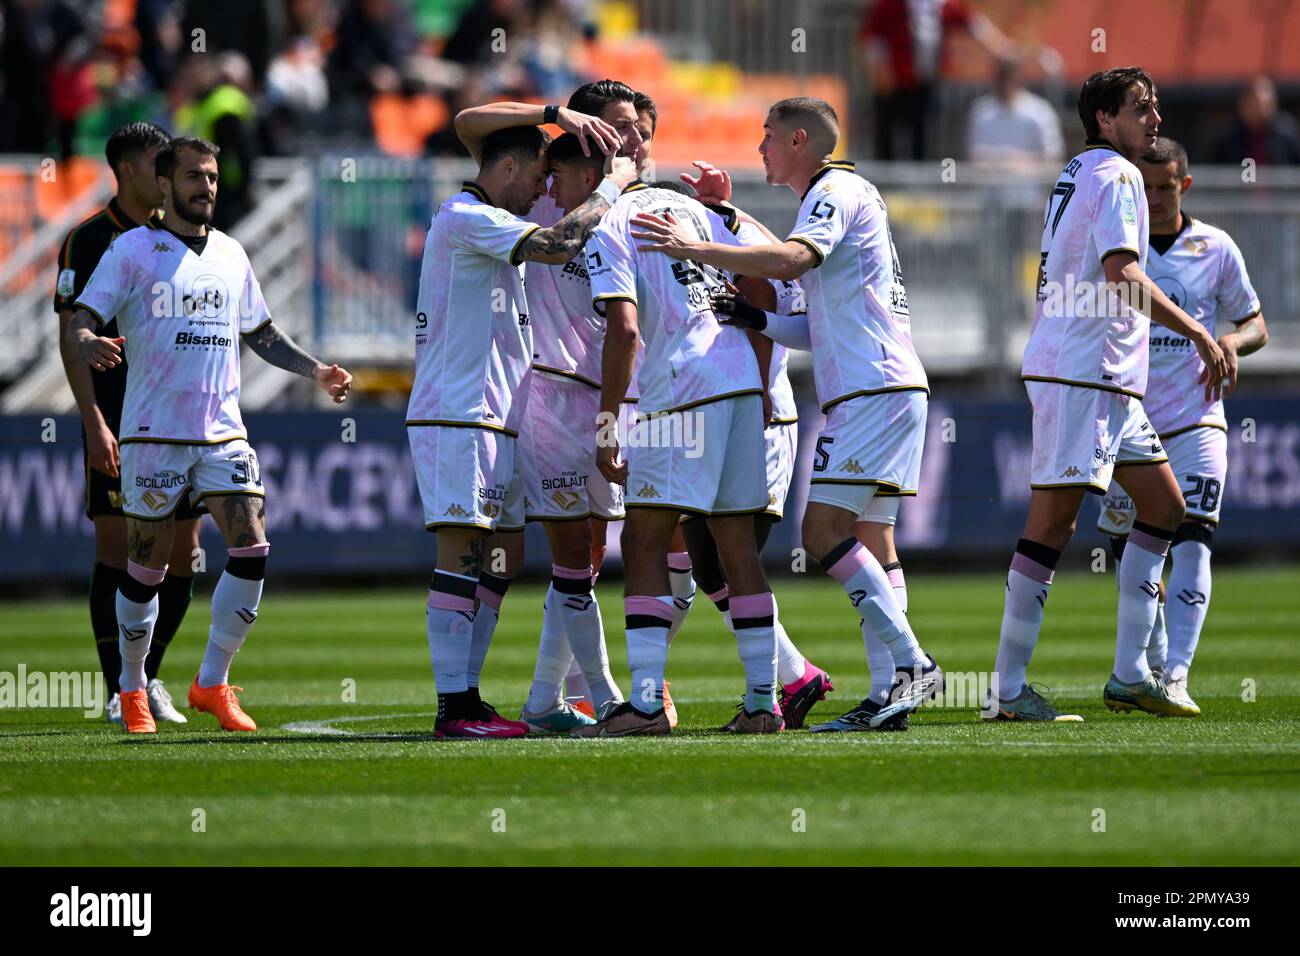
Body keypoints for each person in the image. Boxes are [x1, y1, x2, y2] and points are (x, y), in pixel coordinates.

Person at [630, 97, 945, 732]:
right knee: (868, 537)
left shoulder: (835, 189)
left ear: (801, 140)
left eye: (768, 135)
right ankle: (890, 694)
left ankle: (912, 665)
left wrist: (697, 246)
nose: (761, 147)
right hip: (883, 385)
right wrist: (756, 319)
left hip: (872, 391)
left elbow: (793, 260)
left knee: (822, 534)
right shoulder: (840, 195)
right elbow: (812, 325)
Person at [64, 136, 354, 734]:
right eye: (195, 176)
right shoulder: (131, 251)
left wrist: (317, 369)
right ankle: (132, 688)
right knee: (144, 568)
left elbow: (262, 333)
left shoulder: (231, 253)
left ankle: (212, 682)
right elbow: (83, 320)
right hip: (152, 433)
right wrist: (89, 341)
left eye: (214, 177)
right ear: (165, 185)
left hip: (223, 433)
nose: (207, 187)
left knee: (251, 549)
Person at [990, 69, 1231, 720]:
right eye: (1140, 108)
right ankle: (1007, 691)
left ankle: (1130, 673)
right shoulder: (1119, 175)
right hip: (1083, 371)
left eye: (1155, 106)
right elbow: (1122, 274)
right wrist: (1198, 331)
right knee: (1053, 525)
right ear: (1104, 118)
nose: (1155, 118)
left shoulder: (1079, 171)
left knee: (1163, 506)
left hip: (1103, 374)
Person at [409, 114, 636, 739]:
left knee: (501, 558)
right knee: (462, 552)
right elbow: (560, 244)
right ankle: (455, 709)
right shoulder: (466, 216)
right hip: (459, 413)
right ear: (506, 169)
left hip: (494, 415)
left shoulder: (490, 222)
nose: (540, 191)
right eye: (536, 177)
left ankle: (470, 701)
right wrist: (609, 187)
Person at [574, 180, 782, 737]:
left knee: (643, 538)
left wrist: (608, 425)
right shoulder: (696, 212)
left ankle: (644, 706)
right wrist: (759, 383)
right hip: (738, 379)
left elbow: (624, 330)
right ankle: (763, 703)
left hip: (681, 387)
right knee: (735, 541)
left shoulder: (611, 222)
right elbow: (762, 287)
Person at [1097, 137, 1268, 714]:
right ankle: (1146, 666)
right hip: (1129, 419)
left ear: (1184, 185)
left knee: (1194, 542)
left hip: (1197, 418)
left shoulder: (1215, 246)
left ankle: (1176, 675)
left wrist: (1231, 340)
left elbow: (1256, 323)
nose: (1155, 198)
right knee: (1130, 552)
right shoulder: (1121, 249)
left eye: (1164, 188)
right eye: (1144, 189)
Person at [55, 122, 199, 726]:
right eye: (157, 160)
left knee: (186, 554)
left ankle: (149, 677)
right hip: (120, 417)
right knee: (119, 545)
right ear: (130, 170)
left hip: (184, 420)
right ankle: (120, 689)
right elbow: (71, 334)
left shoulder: (188, 236)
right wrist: (93, 422)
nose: (169, 171)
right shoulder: (87, 240)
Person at [967, 57, 1063, 164]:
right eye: (1002, 79)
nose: (1006, 85)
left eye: (1011, 79)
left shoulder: (1041, 111)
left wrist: (1022, 161)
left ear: (1021, 80)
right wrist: (1002, 159)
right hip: (989, 179)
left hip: (1032, 179)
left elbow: (1053, 155)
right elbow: (975, 154)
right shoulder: (981, 111)